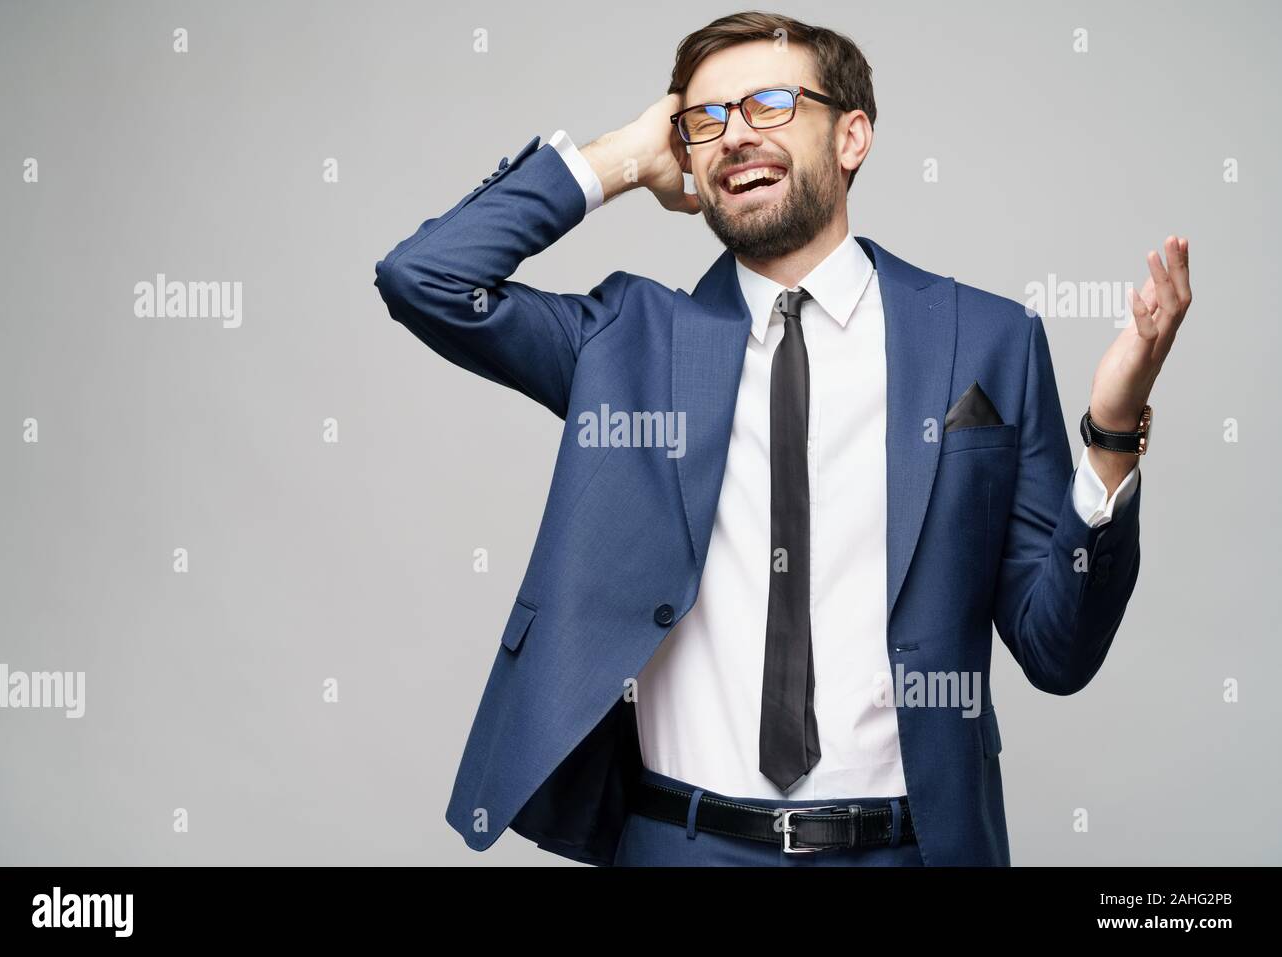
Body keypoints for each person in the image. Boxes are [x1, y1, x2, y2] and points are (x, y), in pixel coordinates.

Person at [372, 10, 1191, 866]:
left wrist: (1112, 437)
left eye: (768, 104)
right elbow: (423, 277)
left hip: (909, 849)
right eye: (706, 119)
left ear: (852, 136)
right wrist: (621, 157)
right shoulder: (626, 344)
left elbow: (1058, 649)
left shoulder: (985, 339)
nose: (734, 136)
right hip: (681, 844)